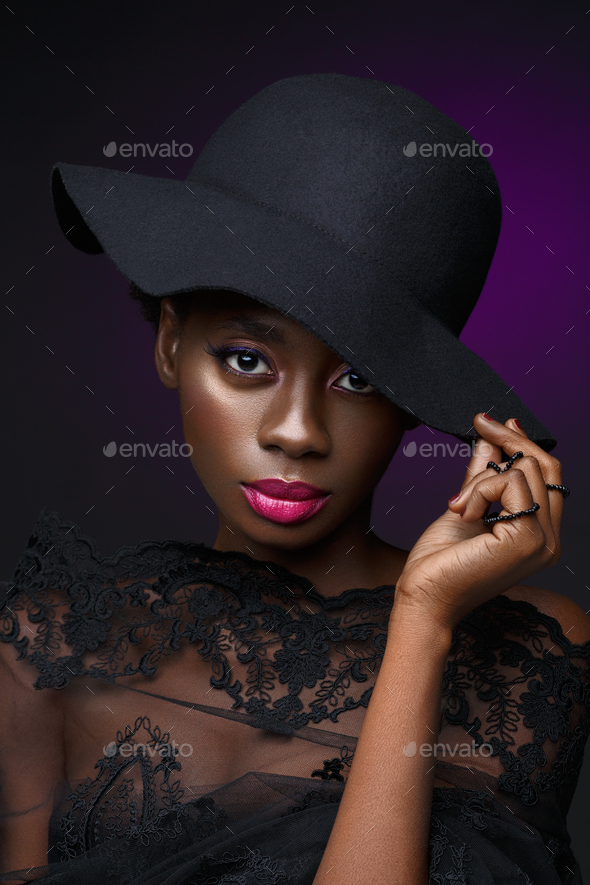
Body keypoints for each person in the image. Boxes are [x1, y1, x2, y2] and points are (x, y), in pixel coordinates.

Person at [1, 73, 588, 885]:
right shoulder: (42, 655)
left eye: (360, 381)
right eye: (247, 361)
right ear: (171, 341)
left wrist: (423, 625)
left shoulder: (529, 664)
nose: (298, 432)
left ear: (415, 400)